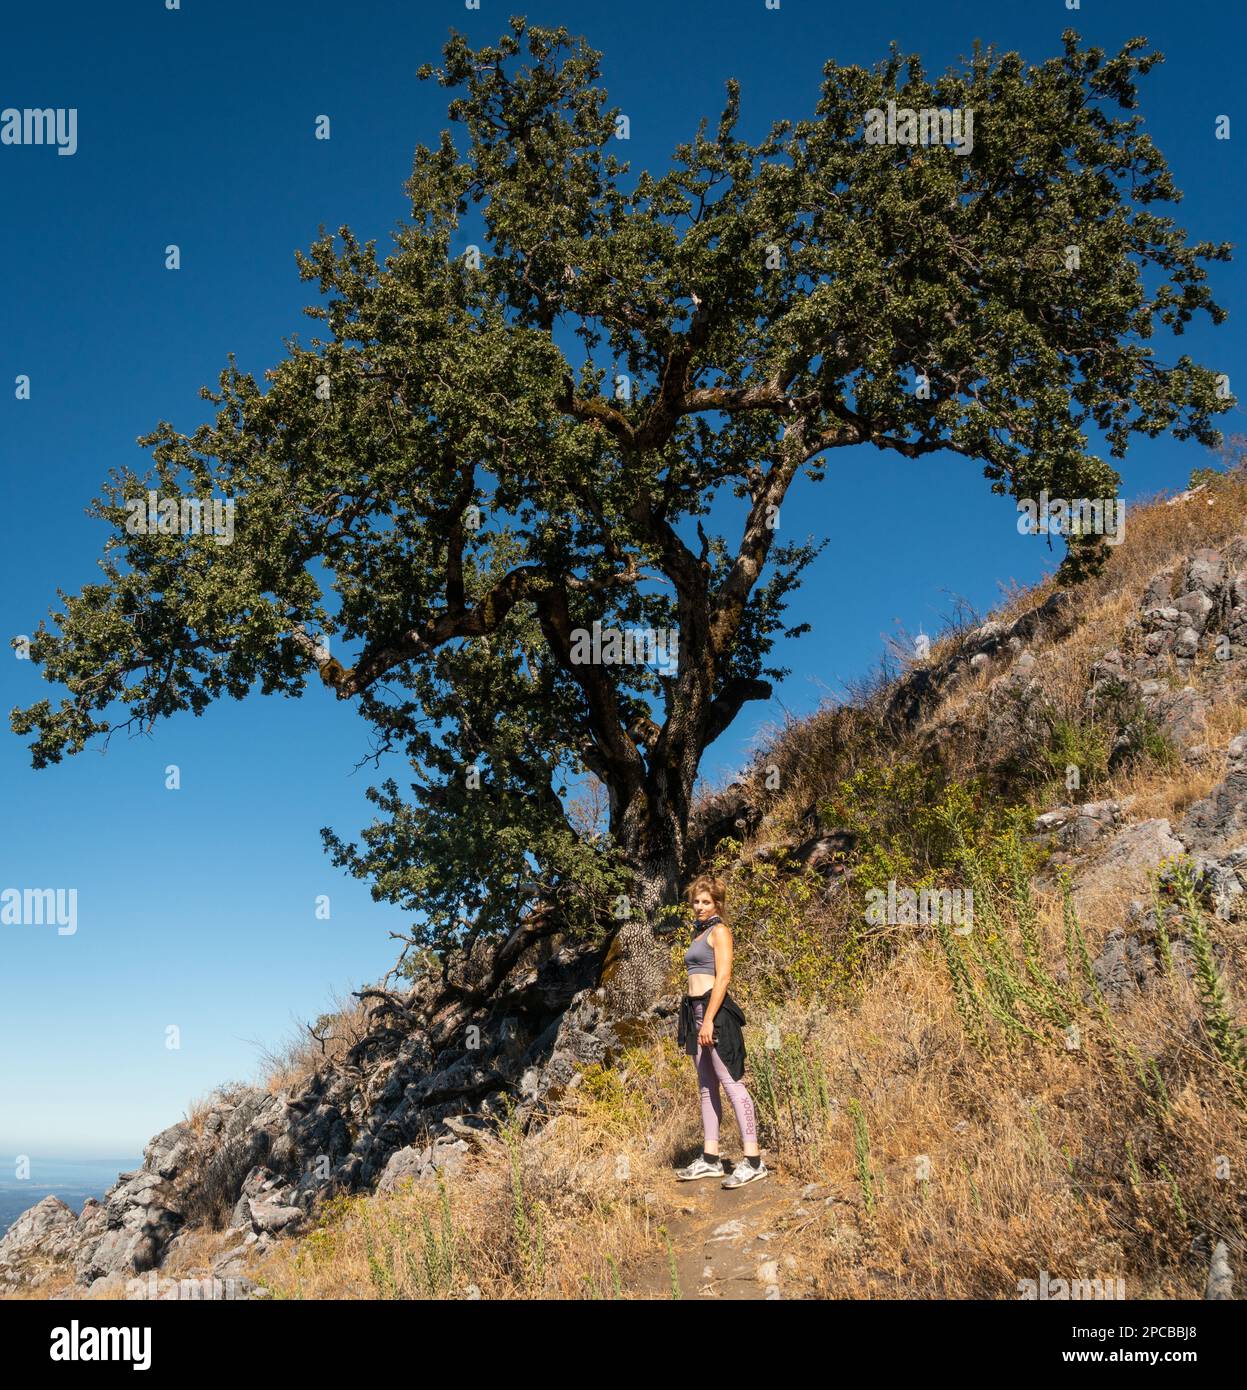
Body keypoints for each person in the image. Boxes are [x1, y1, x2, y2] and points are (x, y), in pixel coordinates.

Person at [674, 876, 768, 1188]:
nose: (699, 907)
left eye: (706, 902)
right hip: (695, 1013)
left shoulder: (720, 931)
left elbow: (724, 977)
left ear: (717, 904)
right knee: (706, 1086)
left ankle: (754, 1161)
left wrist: (710, 1020)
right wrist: (699, 1019)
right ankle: (711, 1159)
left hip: (715, 1015)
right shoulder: (697, 934)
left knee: (731, 1083)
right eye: (696, 902)